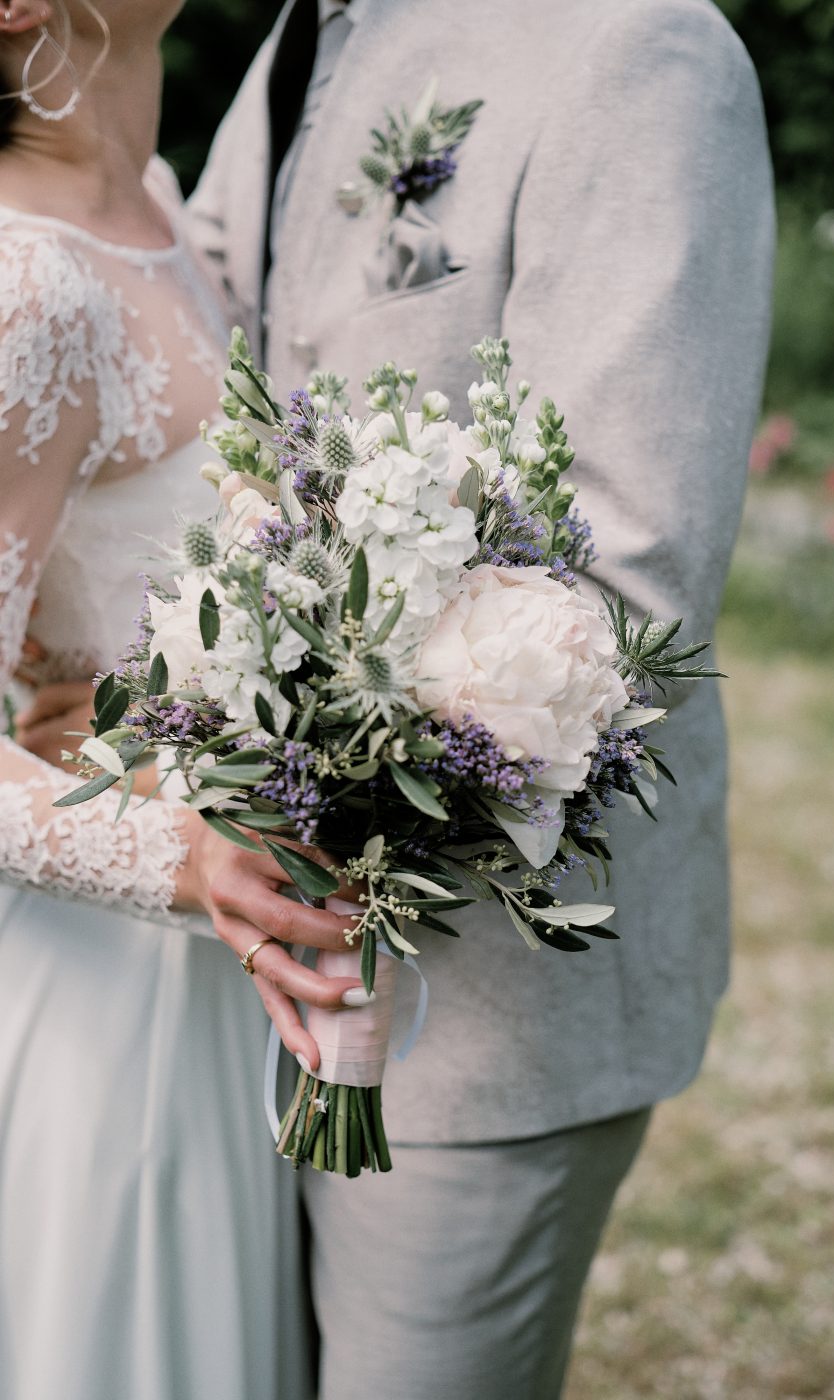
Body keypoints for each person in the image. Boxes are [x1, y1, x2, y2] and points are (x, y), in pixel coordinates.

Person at [188, 0, 776, 1396]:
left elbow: (621, 576)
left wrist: (281, 762)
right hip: (234, 977)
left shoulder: (638, 45)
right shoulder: (297, 39)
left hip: (489, 1006)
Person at [0, 4, 372, 1397]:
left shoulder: (155, 195)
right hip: (115, 994)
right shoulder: (23, 283)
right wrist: (191, 855)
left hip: (228, 976)